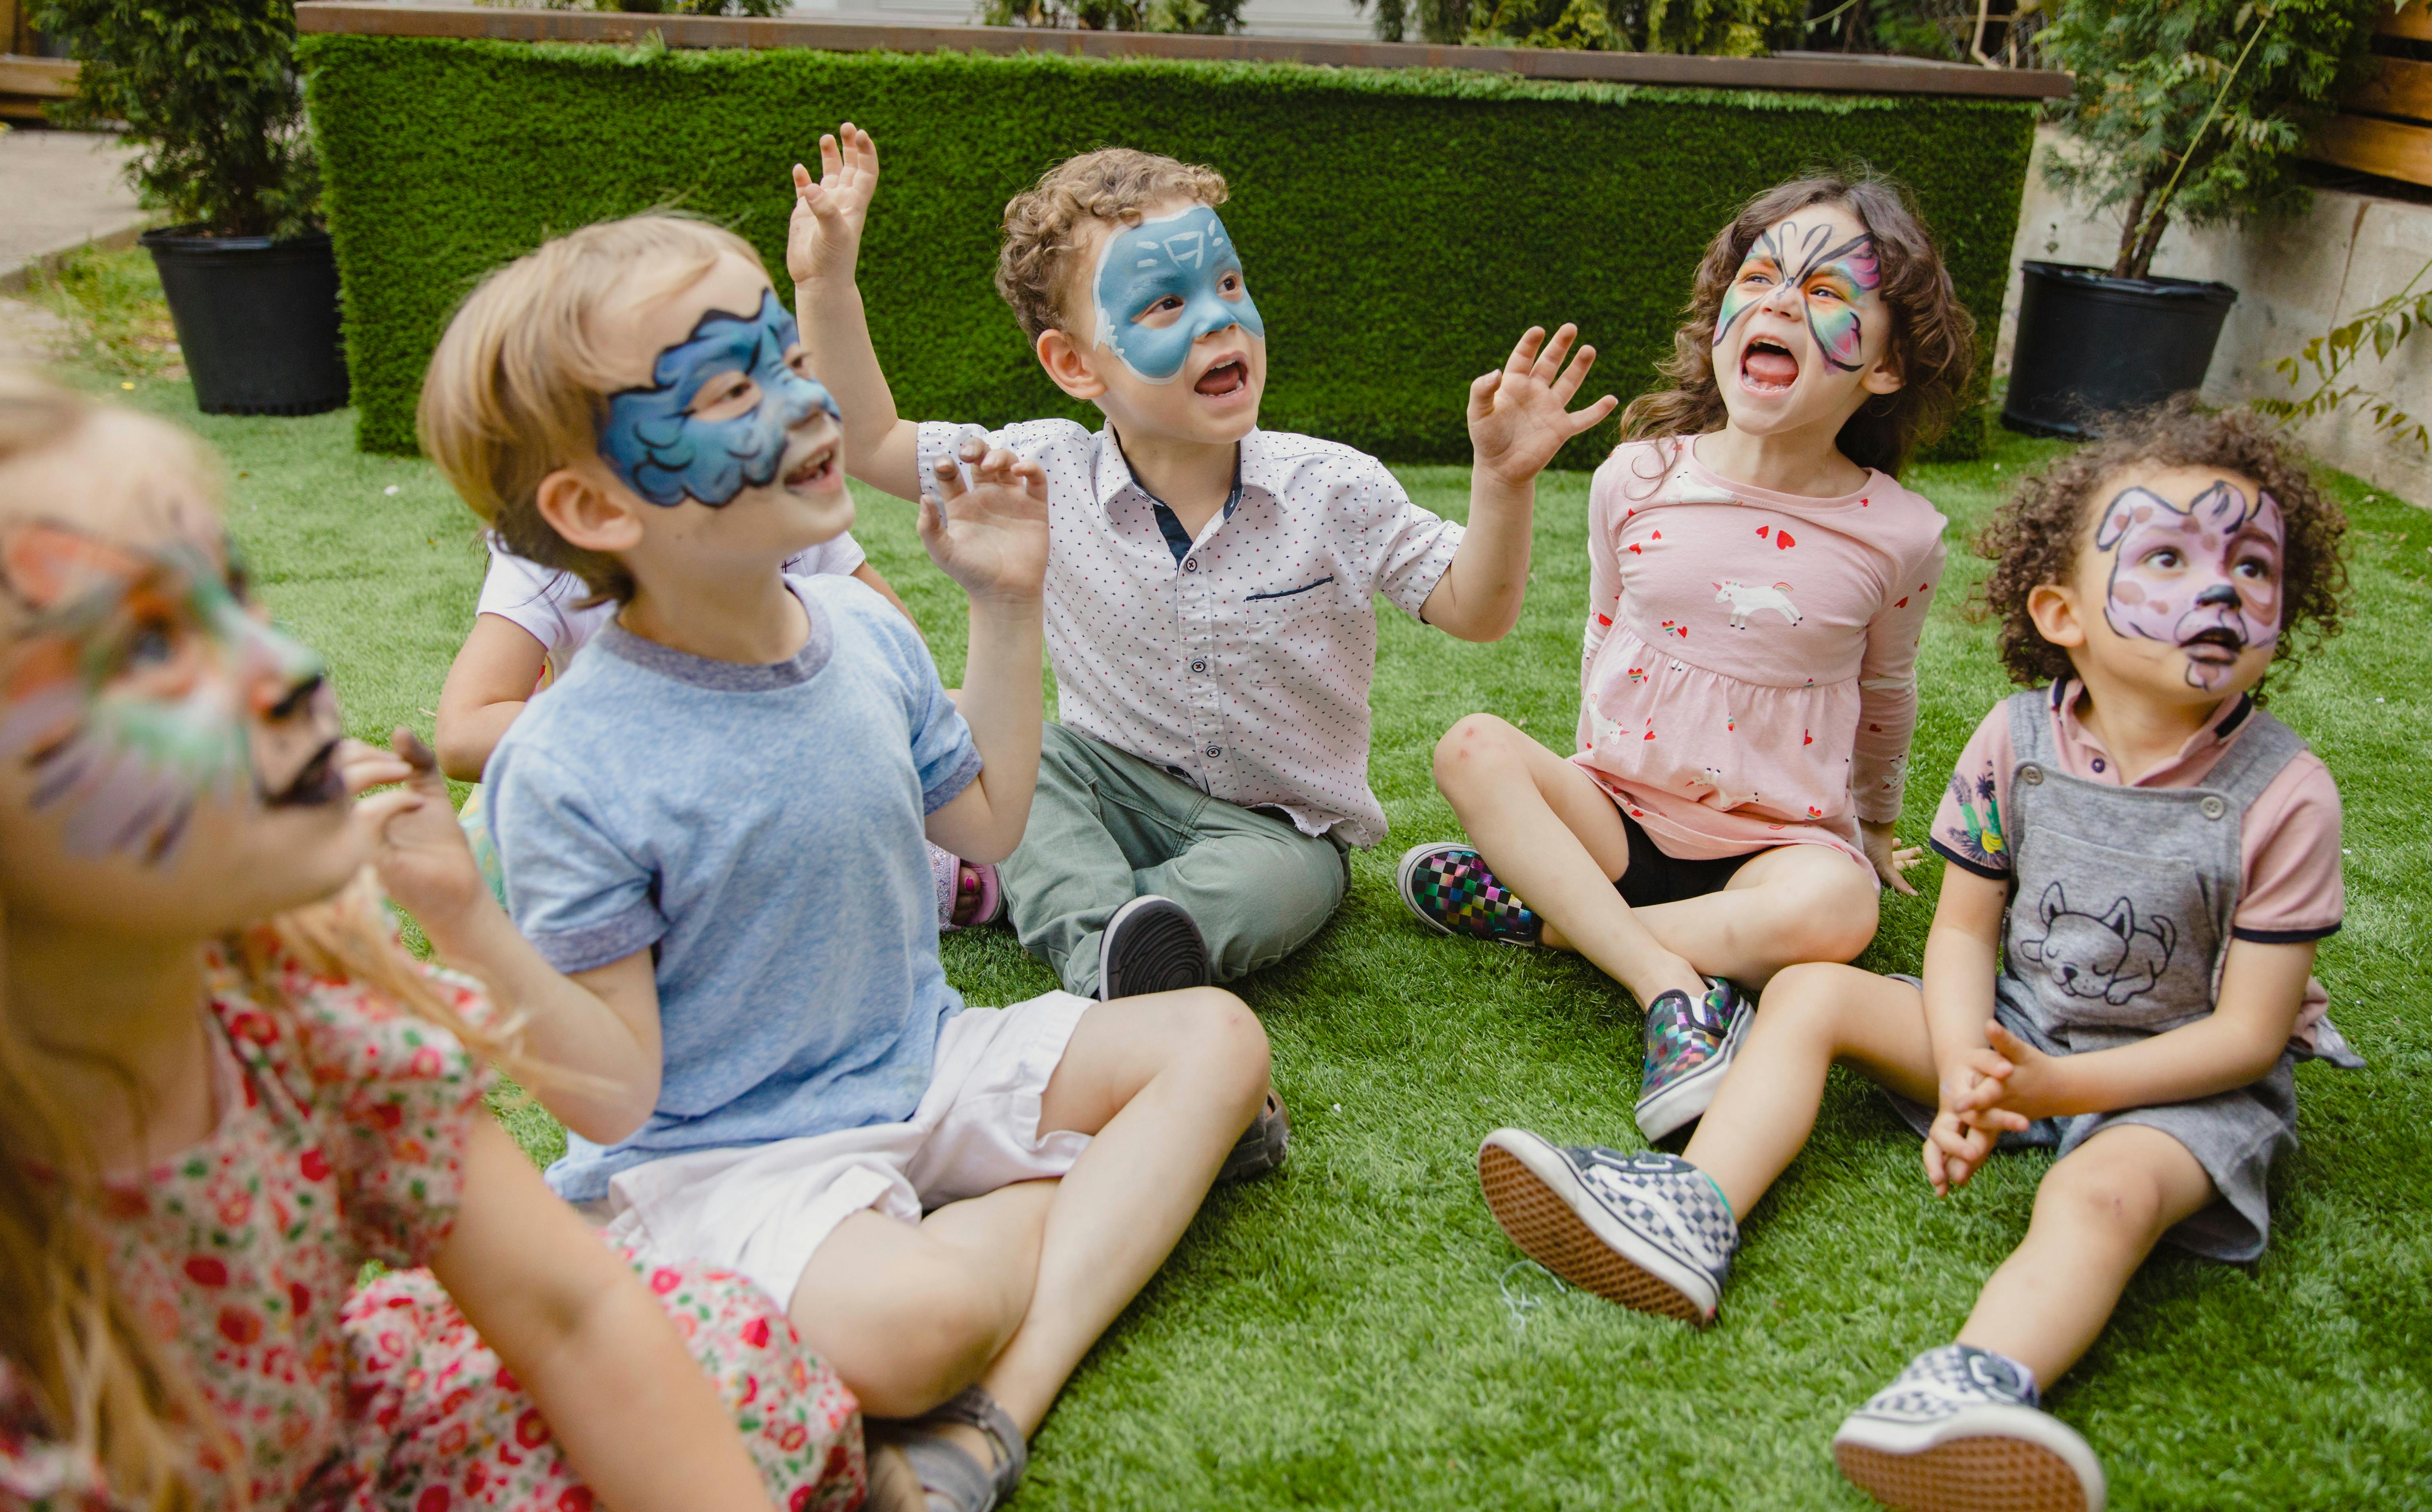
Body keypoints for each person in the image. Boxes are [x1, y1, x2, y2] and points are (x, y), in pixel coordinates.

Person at [413, 213, 1275, 1512]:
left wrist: (1005, 603)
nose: (803, 397)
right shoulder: (568, 764)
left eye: (785, 352)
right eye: (731, 384)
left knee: (1213, 1037)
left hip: (924, 1058)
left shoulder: (860, 641)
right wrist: (465, 921)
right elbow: (608, 1094)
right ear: (592, 504)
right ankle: (1125, 1190)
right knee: (909, 1329)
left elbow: (982, 827)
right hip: (731, 1158)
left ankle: (994, 1411)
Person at [0, 360, 861, 1512]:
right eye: (145, 653)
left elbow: (571, 1312)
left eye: (234, 593)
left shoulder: (300, 997)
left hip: (335, 1439)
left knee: (719, 1345)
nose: (284, 673)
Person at [1476, 401, 2357, 1512]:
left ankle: (1966, 1387)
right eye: (2168, 557)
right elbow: (1959, 931)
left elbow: (2242, 1035)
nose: (2219, 588)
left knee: (2100, 1196)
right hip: (2010, 1030)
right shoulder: (2013, 742)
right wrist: (1965, 1056)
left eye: (2249, 563)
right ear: (2058, 611)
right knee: (1807, 994)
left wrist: (2045, 1088)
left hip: (2176, 1087)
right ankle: (1691, 1208)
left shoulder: (2283, 793)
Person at [801, 127, 1613, 1001]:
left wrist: (1502, 482)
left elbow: (1476, 610)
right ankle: (1112, 954)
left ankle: (1095, 942)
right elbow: (869, 438)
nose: (1220, 316)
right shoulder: (1038, 471)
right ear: (1074, 364)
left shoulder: (1332, 485)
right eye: (1164, 304)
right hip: (1102, 777)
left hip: (1279, 832)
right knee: (1011, 766)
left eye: (1227, 284)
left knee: (1265, 895)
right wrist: (825, 279)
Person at [1400, 171, 1975, 1140]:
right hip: (1620, 814)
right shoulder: (1637, 477)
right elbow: (1601, 634)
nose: (1783, 301)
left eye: (1829, 293)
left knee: (1843, 913)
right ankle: (1666, 977)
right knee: (1470, 745)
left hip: (1771, 848)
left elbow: (1887, 689)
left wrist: (1873, 831)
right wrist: (1573, 799)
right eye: (1760, 277)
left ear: (1883, 366)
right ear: (1721, 319)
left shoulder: (1900, 533)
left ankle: (1550, 917)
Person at [435, 480, 1000, 934]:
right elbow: (465, 732)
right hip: (639, 800)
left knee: (966, 735)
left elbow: (906, 669)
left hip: (797, 772)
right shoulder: (546, 548)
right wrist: (682, 720)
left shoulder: (788, 508)